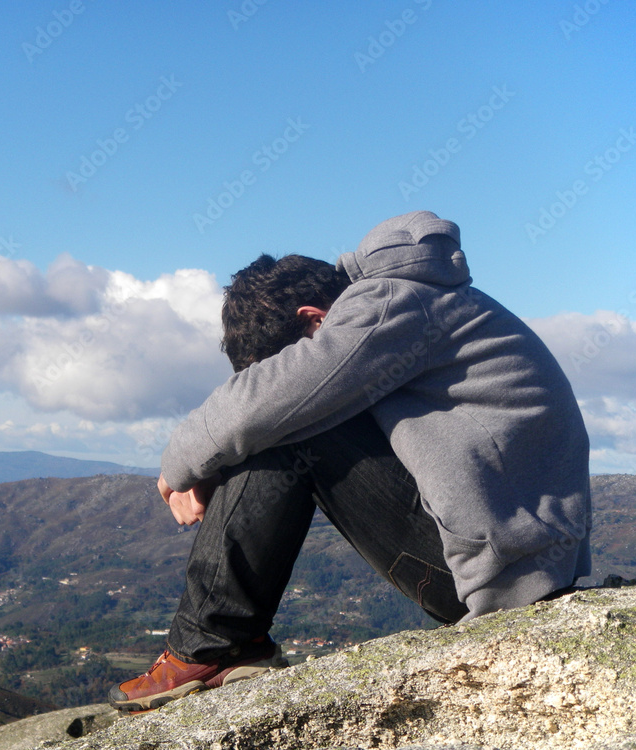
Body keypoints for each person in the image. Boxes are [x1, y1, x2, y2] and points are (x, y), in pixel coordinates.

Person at [108, 210, 591, 713]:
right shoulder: (419, 301)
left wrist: (180, 466)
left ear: (314, 320)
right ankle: (225, 641)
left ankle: (210, 644)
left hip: (503, 574)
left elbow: (271, 398)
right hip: (505, 559)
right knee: (280, 417)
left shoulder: (389, 304)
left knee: (284, 426)